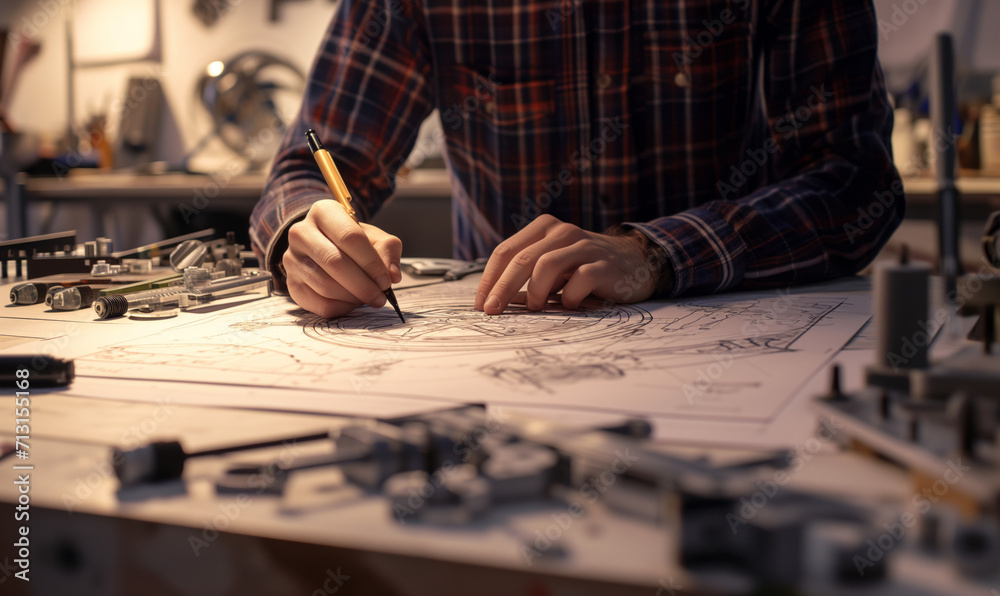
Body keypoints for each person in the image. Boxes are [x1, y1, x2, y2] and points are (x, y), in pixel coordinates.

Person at [251, 0, 902, 319]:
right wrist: (305, 230)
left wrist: (659, 252)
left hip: (726, 335)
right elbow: (313, 162)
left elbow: (855, 180)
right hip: (501, 345)